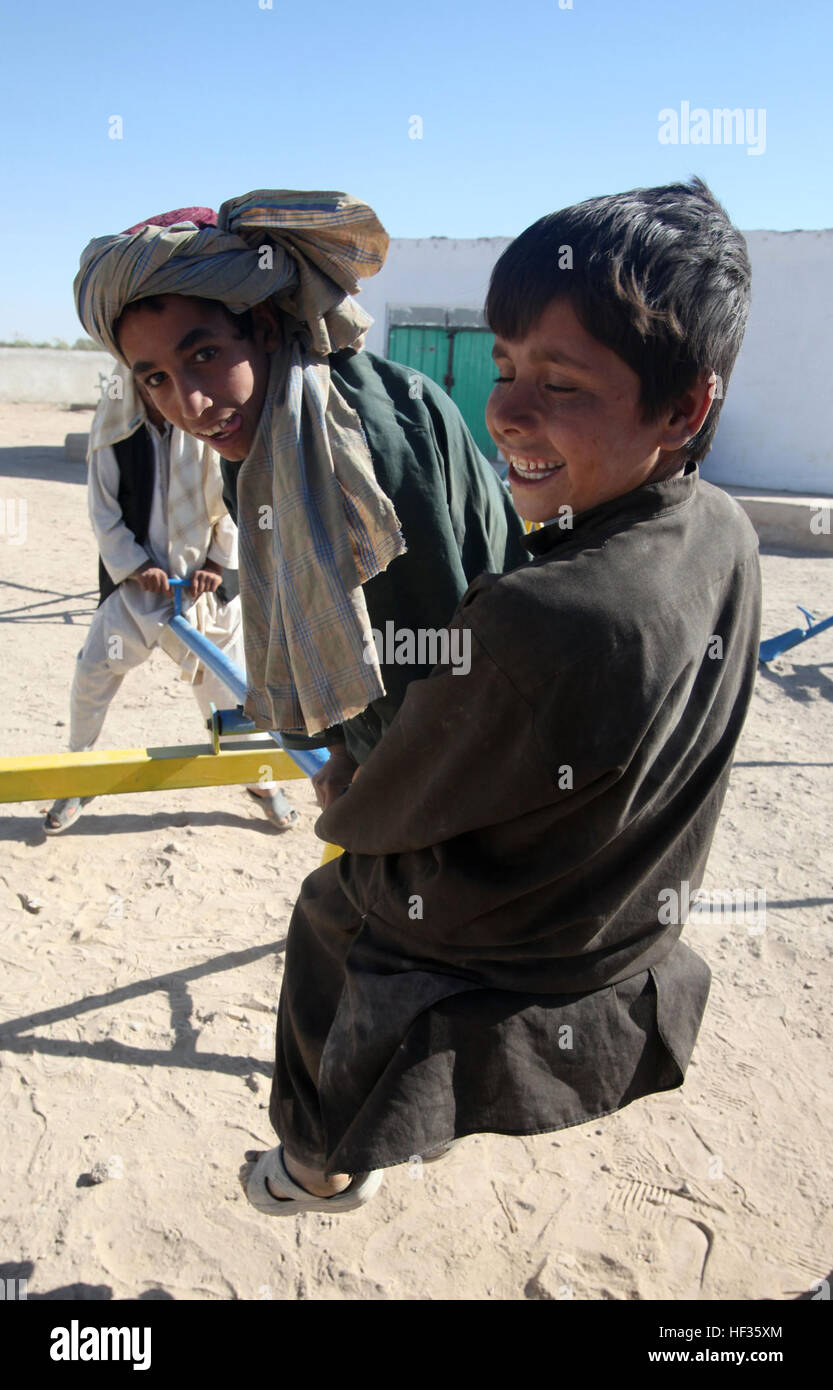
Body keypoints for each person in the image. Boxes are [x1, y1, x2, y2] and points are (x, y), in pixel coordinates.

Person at [237, 176, 763, 1215]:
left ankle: (315, 1157)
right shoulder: (726, 533)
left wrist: (346, 783)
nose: (505, 409)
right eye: (507, 365)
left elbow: (381, 806)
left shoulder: (537, 617)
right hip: (628, 910)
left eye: (560, 384)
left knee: (333, 906)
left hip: (528, 938)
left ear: (682, 405)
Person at [73, 194, 527, 813]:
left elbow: (421, 652)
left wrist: (383, 785)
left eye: (204, 356)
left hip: (475, 754)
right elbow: (305, 606)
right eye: (156, 379)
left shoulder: (354, 442)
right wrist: (343, 750)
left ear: (262, 326)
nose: (191, 405)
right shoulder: (259, 437)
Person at [45, 365, 296, 834]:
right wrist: (138, 568)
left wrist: (217, 565)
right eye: (150, 378)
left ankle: (261, 783)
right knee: (94, 670)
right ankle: (75, 777)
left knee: (231, 689)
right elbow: (104, 512)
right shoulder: (115, 427)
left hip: (207, 587)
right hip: (138, 589)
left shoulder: (206, 418)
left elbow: (234, 495)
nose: (163, 389)